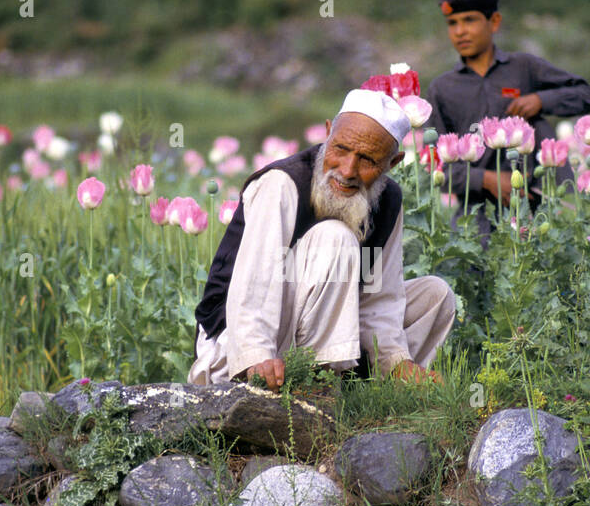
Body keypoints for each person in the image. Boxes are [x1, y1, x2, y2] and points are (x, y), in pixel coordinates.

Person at [187, 88, 457, 393]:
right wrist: (256, 356)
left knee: (435, 295)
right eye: (341, 149)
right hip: (240, 342)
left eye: (367, 159)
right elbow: (253, 284)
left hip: (324, 334)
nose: (347, 170)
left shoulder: (388, 199)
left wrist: (396, 361)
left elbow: (380, 300)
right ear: (328, 133)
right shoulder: (281, 184)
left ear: (392, 164)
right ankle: (320, 389)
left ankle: (374, 391)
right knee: (336, 238)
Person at [425, 0, 590, 244]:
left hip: (539, 208)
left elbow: (586, 95)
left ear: (494, 22)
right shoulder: (442, 89)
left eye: (470, 20)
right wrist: (487, 179)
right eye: (452, 23)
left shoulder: (523, 68)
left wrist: (541, 100)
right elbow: (438, 168)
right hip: (475, 219)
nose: (460, 31)